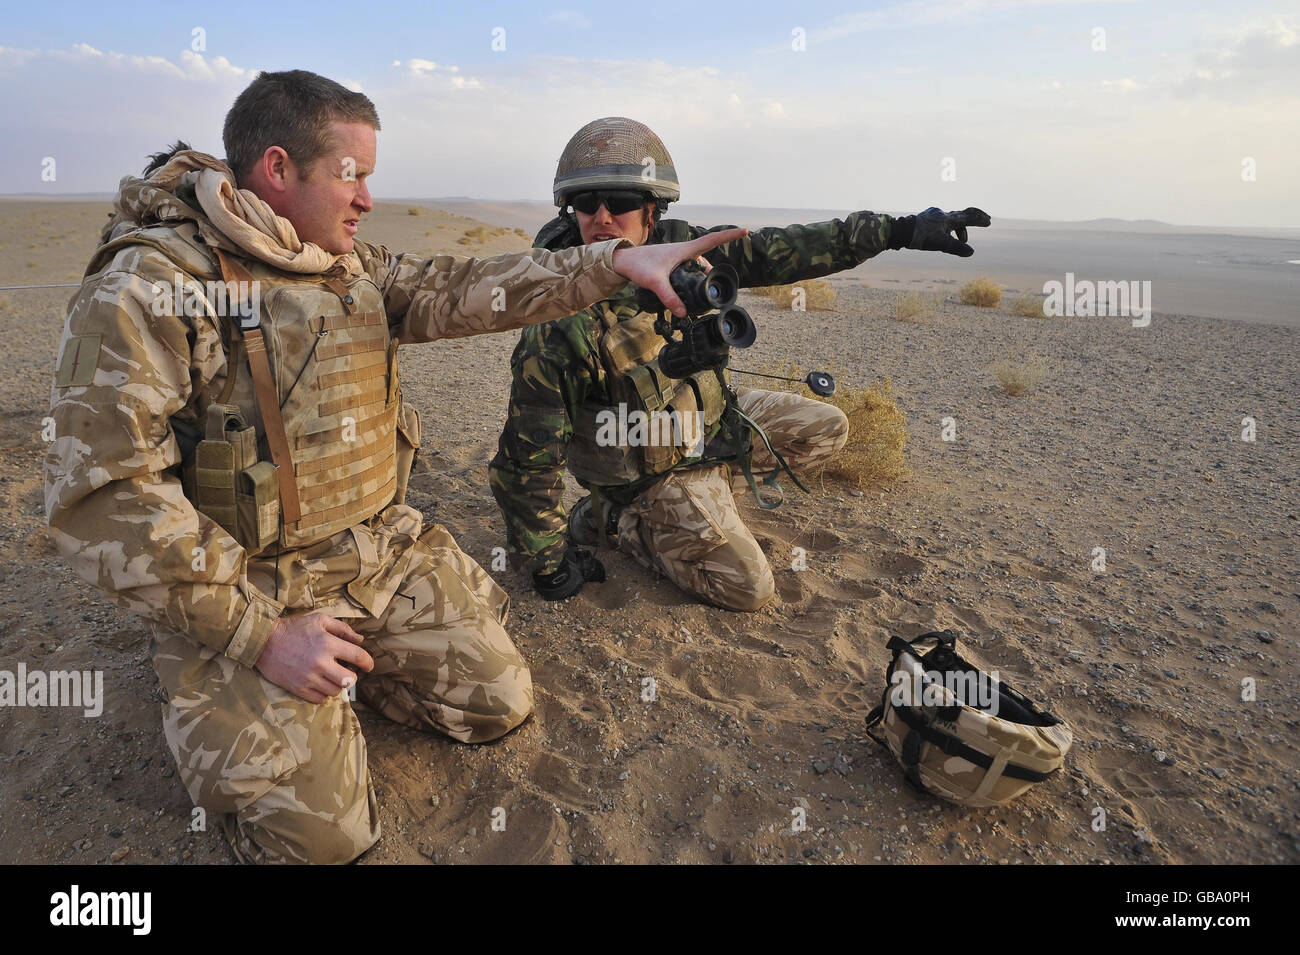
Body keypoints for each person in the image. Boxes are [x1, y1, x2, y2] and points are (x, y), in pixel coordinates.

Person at [42, 74, 743, 864]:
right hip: (250, 582)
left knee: (498, 705)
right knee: (328, 843)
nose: (368, 199)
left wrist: (616, 263)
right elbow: (101, 497)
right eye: (353, 175)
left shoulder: (348, 265)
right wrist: (261, 636)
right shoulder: (153, 286)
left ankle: (344, 674)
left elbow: (468, 287)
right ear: (278, 169)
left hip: (369, 553)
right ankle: (219, 682)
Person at [490, 117, 989, 611]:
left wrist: (899, 230)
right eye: (585, 205)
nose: (602, 218)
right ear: (570, 212)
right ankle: (614, 520)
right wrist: (550, 566)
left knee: (828, 428)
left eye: (619, 205)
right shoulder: (559, 321)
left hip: (708, 422)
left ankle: (711, 489)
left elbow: (785, 249)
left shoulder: (681, 248)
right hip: (644, 469)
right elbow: (526, 461)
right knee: (748, 587)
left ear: (651, 211)